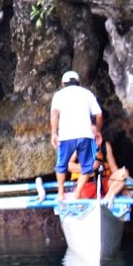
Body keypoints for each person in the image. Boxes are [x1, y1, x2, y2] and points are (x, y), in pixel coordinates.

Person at [50, 70, 102, 204]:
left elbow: (54, 114)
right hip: (86, 135)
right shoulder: (87, 94)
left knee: (61, 165)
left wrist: (54, 133)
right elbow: (99, 114)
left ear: (63, 84)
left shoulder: (59, 95)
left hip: (66, 136)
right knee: (87, 166)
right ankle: (77, 193)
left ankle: (61, 193)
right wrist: (97, 130)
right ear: (78, 83)